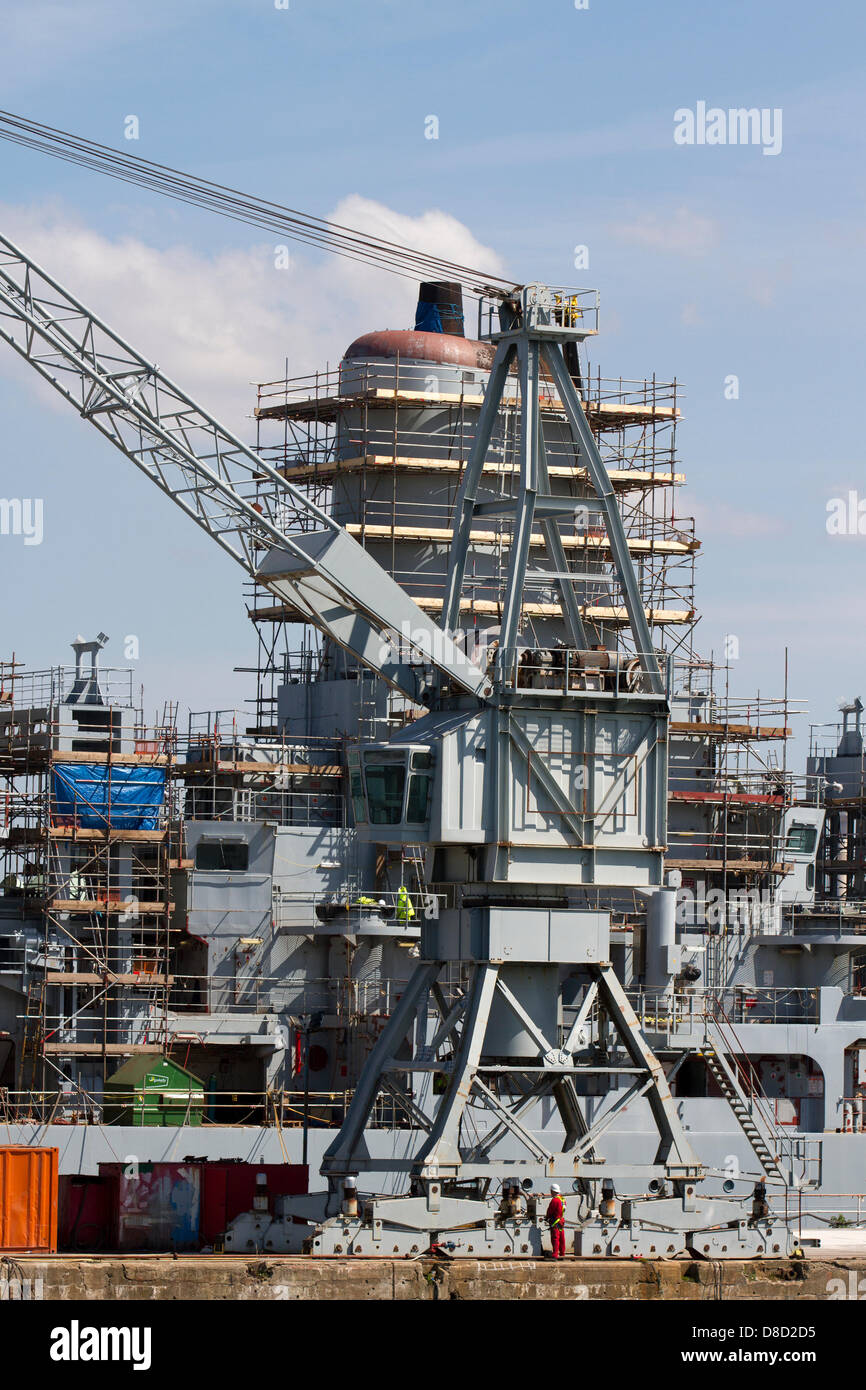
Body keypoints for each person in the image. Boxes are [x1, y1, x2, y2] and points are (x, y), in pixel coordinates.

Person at [546, 1184, 566, 1259]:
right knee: (561, 1238)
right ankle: (562, 1254)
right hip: (561, 1221)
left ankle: (555, 1255)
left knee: (555, 1238)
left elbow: (550, 1210)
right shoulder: (562, 1199)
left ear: (553, 1191)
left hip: (555, 1221)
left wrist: (547, 1217)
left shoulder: (555, 1200)